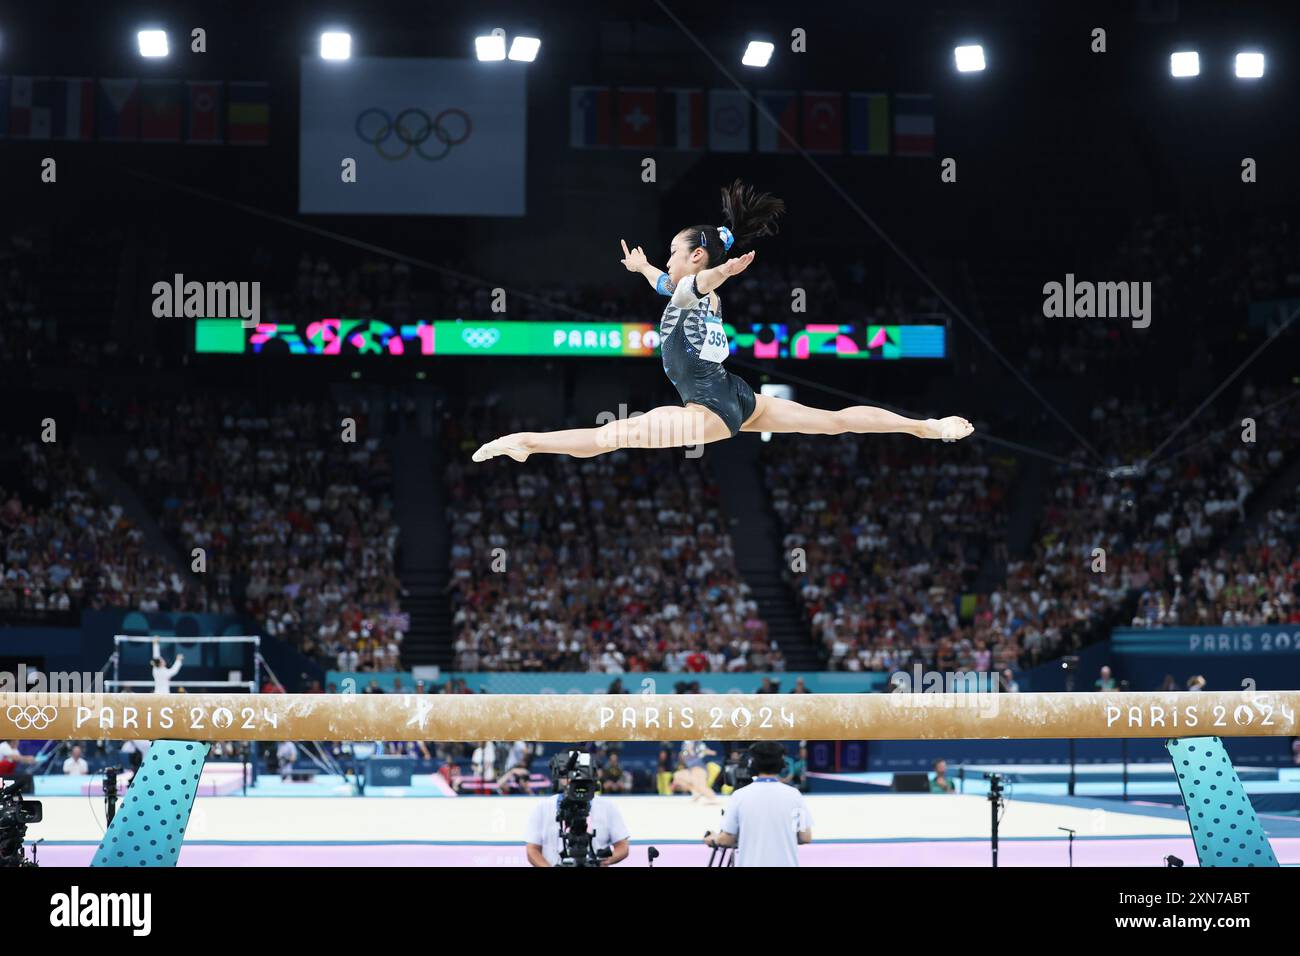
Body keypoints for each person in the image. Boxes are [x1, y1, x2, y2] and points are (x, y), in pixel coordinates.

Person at [471, 180, 974, 463]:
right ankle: (924, 428)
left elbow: (690, 286)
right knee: (833, 422)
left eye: (672, 253)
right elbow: (671, 285)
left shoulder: (698, 289)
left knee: (615, 435)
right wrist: (644, 266)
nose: (667, 260)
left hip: (708, 408)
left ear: (695, 258)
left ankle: (527, 444)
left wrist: (719, 273)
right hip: (738, 396)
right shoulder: (689, 291)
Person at [704, 741, 813, 867]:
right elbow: (805, 836)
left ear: (753, 764)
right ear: (782, 764)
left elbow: (727, 838)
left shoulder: (740, 796)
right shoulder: (794, 795)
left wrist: (714, 838)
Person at [524, 752, 630, 867]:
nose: (574, 777)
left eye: (580, 771)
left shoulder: (607, 806)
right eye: (569, 773)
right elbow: (532, 850)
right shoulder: (542, 807)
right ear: (560, 776)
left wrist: (604, 861)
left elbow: (623, 846)